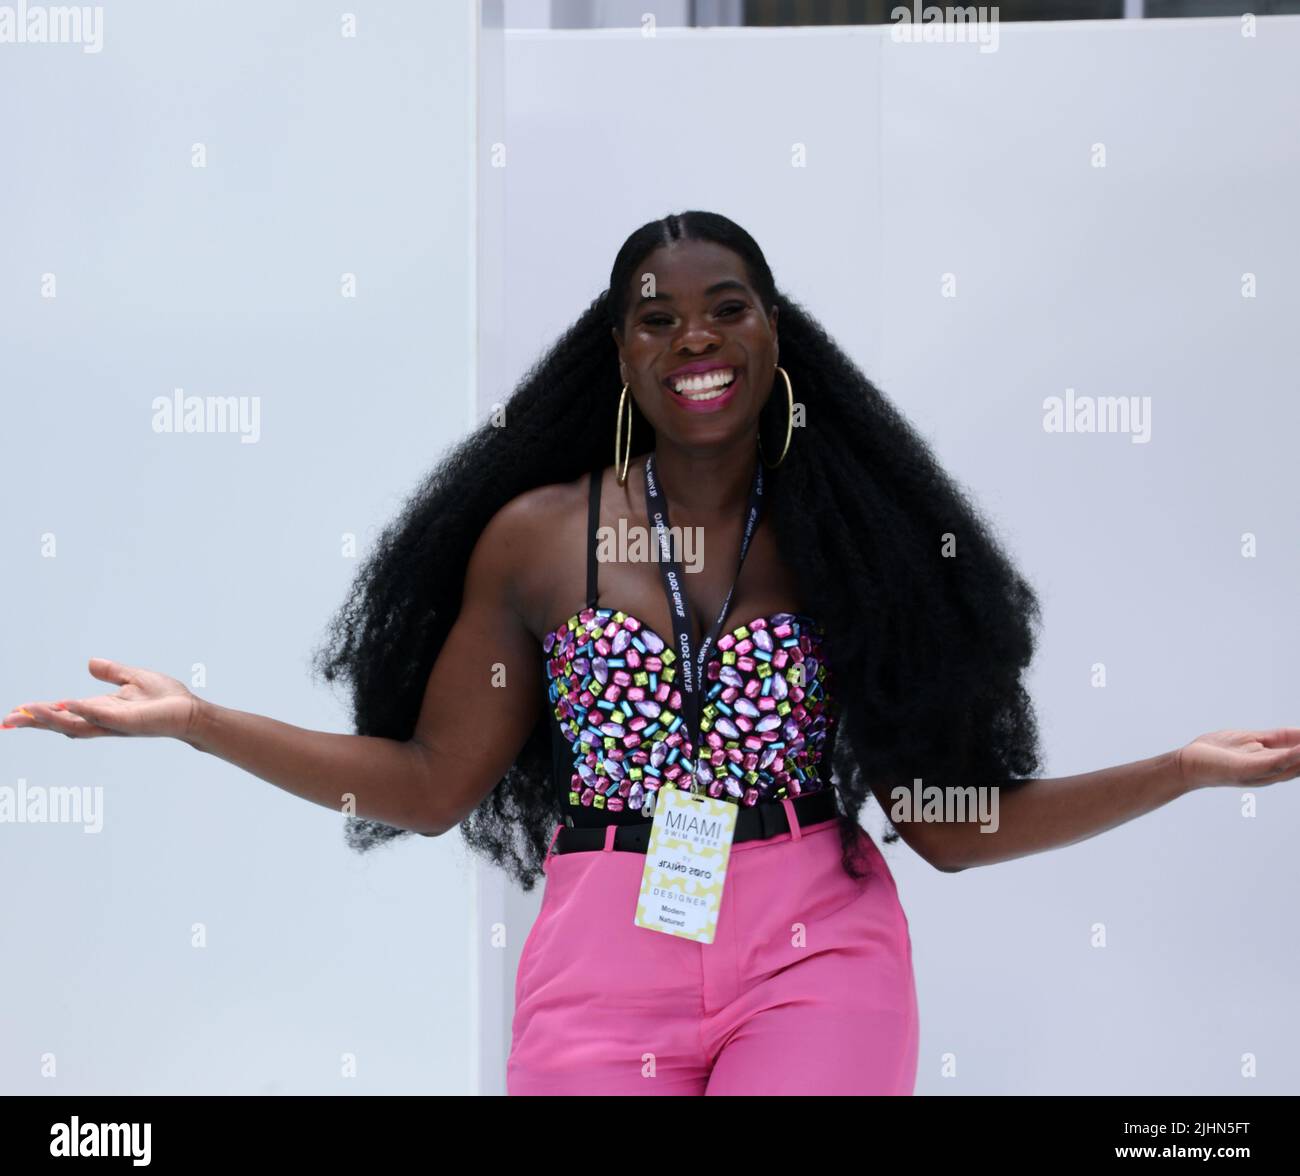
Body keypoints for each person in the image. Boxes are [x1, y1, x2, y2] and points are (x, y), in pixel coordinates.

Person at [6, 211, 1298, 1096]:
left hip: (815, 943)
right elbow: (426, 782)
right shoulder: (537, 546)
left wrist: (1180, 768)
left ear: (773, 337)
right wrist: (198, 722)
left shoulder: (845, 543)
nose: (693, 338)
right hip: (599, 951)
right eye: (656, 317)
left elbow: (949, 826)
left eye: (725, 310)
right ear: (618, 352)